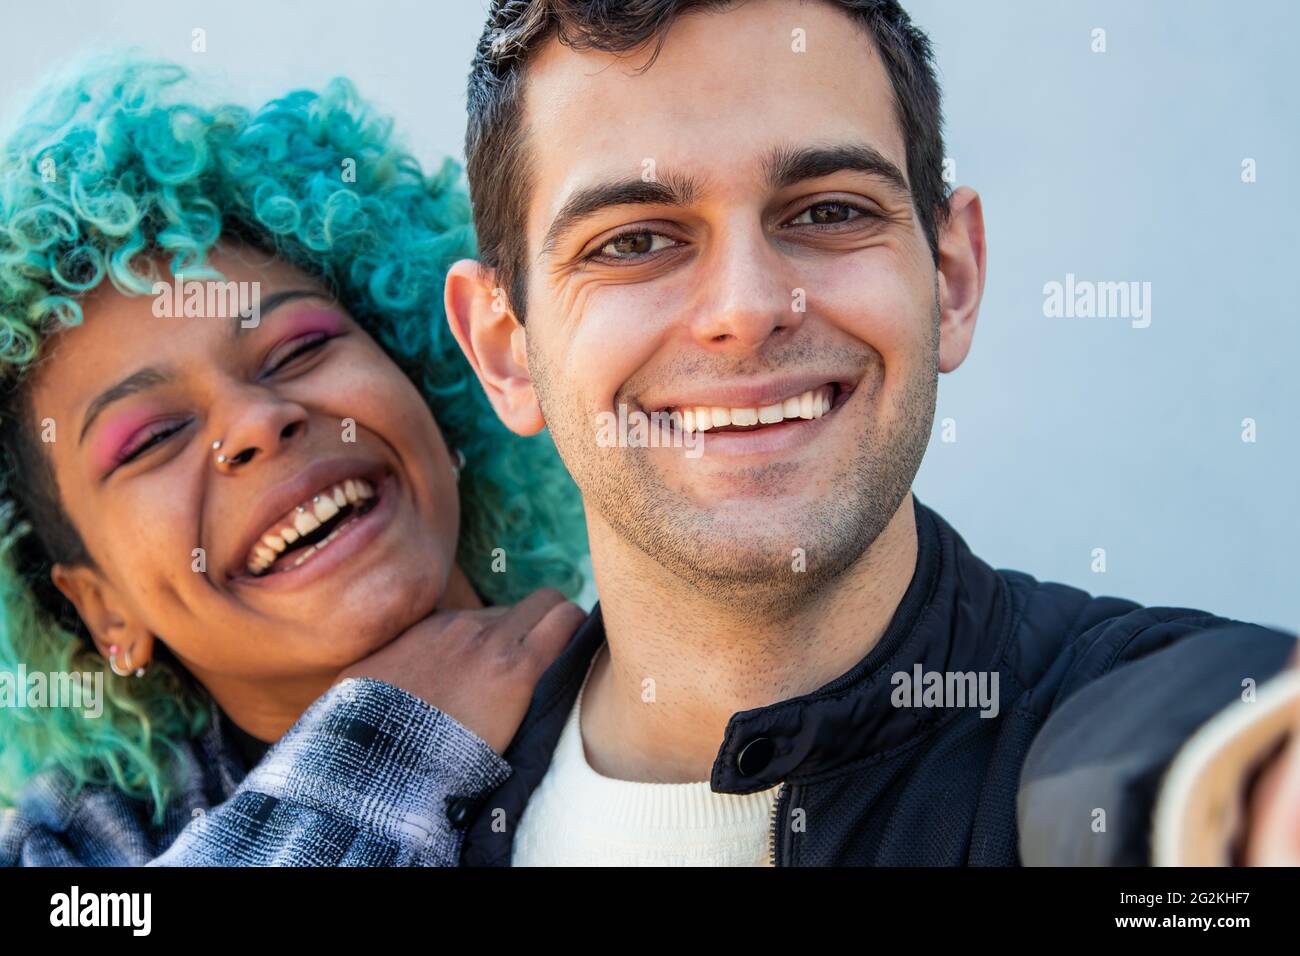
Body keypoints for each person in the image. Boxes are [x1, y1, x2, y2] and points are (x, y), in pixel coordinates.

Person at [439, 0, 1300, 865]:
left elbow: (1198, 741)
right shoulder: (414, 810)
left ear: (951, 277)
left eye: (827, 213)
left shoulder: (1125, 709)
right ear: (505, 350)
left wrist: (1224, 791)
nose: (747, 308)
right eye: (632, 241)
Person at [0, 57, 588, 866]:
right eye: (151, 437)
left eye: (299, 348)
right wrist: (387, 747)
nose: (256, 422)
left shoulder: (687, 702)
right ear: (104, 610)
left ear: (433, 388)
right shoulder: (69, 850)